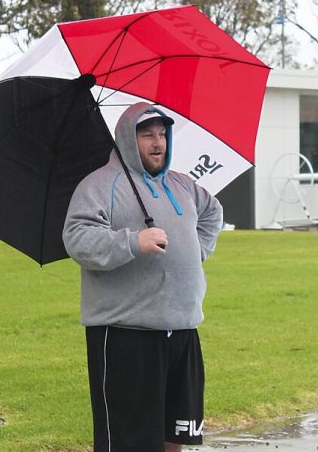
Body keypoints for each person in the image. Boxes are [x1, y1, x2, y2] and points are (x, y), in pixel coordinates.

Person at [63, 101, 223, 452]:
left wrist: (197, 250)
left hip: (181, 331)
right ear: (126, 138)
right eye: (147, 134)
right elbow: (77, 239)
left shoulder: (182, 184)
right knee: (131, 442)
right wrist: (133, 242)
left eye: (162, 134)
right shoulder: (100, 185)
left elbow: (213, 211)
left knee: (175, 435)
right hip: (126, 337)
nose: (157, 143)